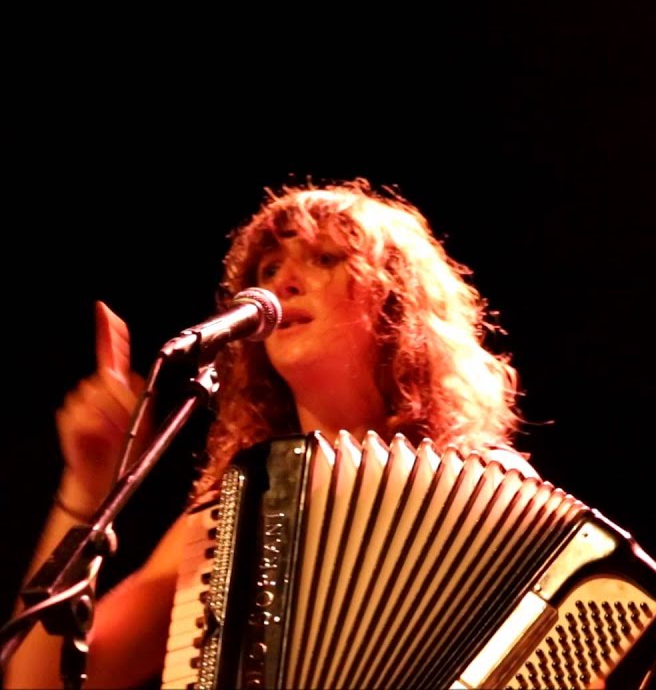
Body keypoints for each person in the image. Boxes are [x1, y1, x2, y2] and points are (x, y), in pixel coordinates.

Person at [5, 177, 535, 688]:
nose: (281, 282)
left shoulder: (493, 485)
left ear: (395, 300)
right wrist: (86, 486)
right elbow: (39, 684)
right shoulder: (232, 517)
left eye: (326, 258)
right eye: (269, 267)